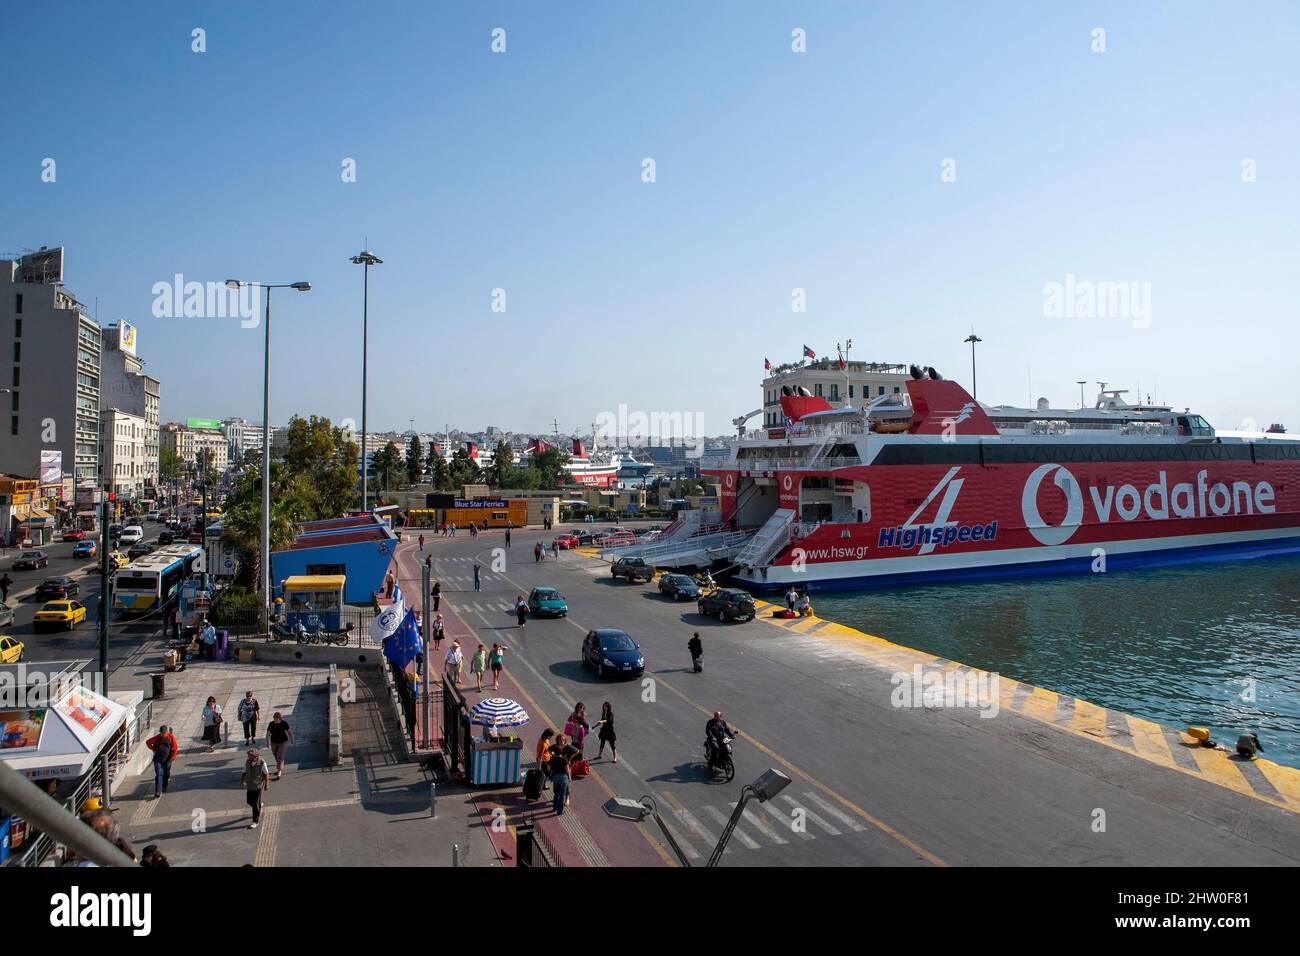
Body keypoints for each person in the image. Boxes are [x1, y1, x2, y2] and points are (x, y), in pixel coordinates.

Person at [240, 748, 271, 829]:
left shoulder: (262, 763)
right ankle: (259, 806)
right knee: (249, 801)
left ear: (256, 756)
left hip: (258, 785)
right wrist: (242, 781)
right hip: (250, 785)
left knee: (254, 804)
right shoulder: (247, 762)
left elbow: (266, 774)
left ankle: (255, 821)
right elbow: (244, 771)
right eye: (249, 756)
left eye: (251, 756)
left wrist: (266, 784)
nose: (249, 757)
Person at [145, 724, 178, 798]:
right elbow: (148, 742)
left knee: (166, 773)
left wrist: (173, 756)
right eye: (161, 733)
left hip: (168, 759)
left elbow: (175, 747)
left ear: (167, 732)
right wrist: (153, 749)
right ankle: (158, 791)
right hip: (158, 759)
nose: (162, 734)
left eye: (164, 733)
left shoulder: (171, 737)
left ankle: (164, 786)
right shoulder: (157, 737)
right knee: (159, 774)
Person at [549, 734, 572, 814]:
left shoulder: (553, 758)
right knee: (562, 794)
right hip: (563, 777)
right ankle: (559, 811)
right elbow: (567, 769)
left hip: (555, 776)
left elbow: (549, 768)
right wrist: (569, 778)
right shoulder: (564, 759)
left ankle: (554, 808)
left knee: (556, 793)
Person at [266, 711, 293, 778]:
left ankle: (279, 771)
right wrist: (267, 742)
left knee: (280, 757)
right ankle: (280, 767)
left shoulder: (284, 723)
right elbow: (268, 734)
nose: (276, 720)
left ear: (280, 719)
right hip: (274, 742)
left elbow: (289, 731)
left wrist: (292, 739)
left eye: (277, 719)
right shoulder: (271, 724)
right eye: (275, 719)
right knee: (276, 755)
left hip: (283, 742)